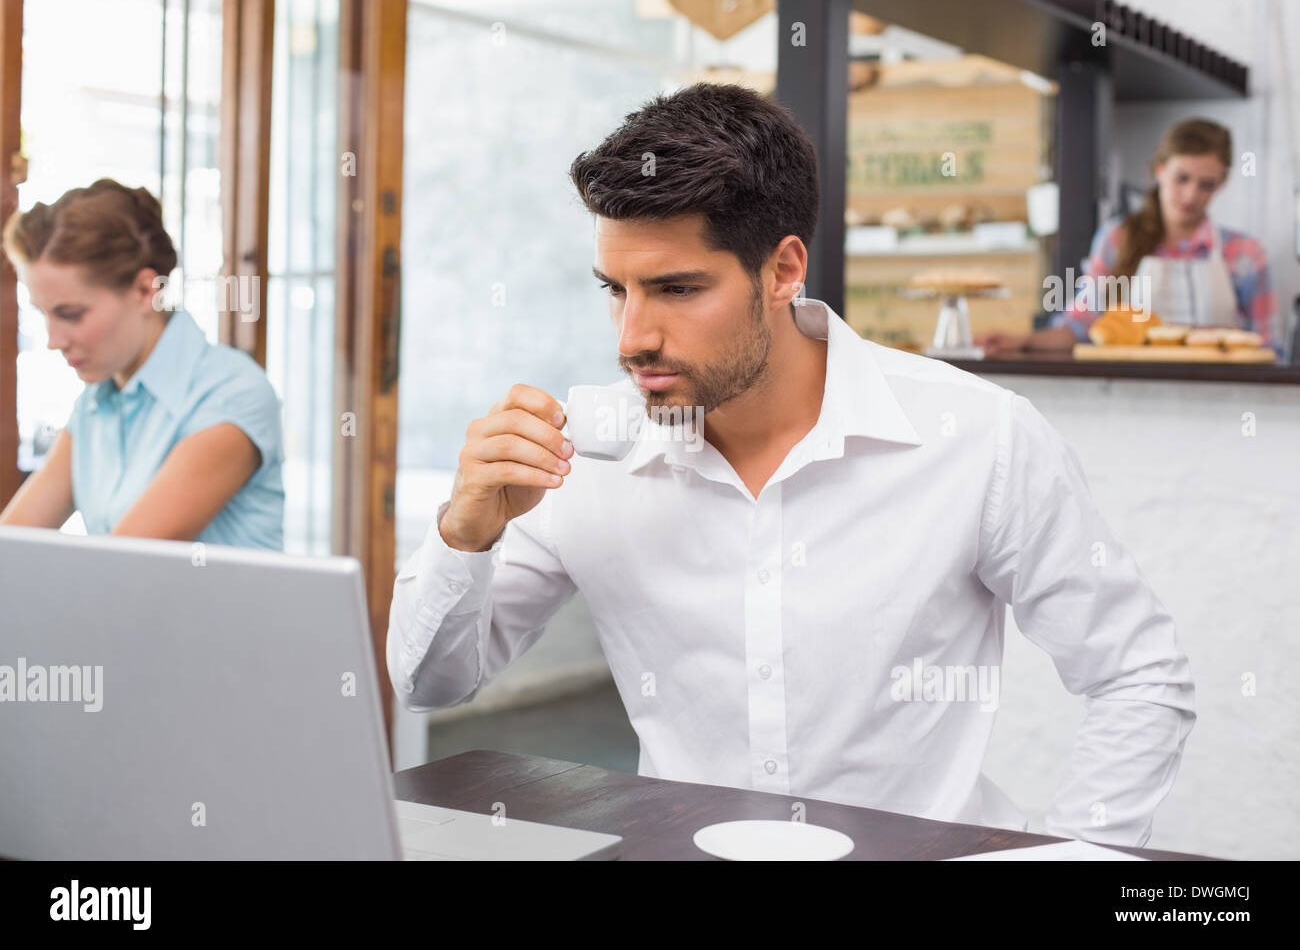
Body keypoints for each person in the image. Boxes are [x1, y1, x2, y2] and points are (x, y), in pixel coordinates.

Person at [387, 84, 1195, 846]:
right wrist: (465, 534)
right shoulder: (584, 456)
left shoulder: (977, 437)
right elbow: (433, 685)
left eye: (675, 288)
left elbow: (1138, 675)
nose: (632, 335)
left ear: (782, 271)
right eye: (615, 288)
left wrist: (1081, 861)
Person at [0, 179, 284, 549]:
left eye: (70, 314)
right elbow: (12, 548)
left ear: (146, 291)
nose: (54, 340)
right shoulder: (94, 405)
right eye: (43, 315)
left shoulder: (231, 395)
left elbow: (120, 571)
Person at [979, 118, 1280, 356]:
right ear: (1159, 170)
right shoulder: (1117, 238)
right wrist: (1023, 341)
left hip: (1225, 401)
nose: (1191, 195)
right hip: (1134, 400)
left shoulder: (1244, 253)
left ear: (1222, 183)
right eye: (1182, 178)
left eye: (1207, 184)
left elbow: (1267, 348)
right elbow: (1081, 325)